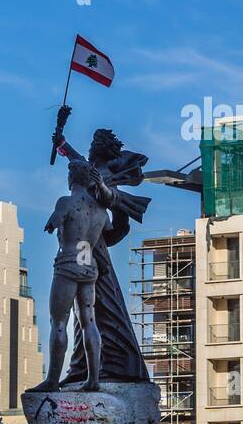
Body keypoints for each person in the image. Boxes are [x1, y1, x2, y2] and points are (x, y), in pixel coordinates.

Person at [50, 107, 152, 385]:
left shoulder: (97, 174)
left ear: (101, 149)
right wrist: (60, 132)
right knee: (87, 313)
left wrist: (60, 136)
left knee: (93, 310)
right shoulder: (93, 171)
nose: (91, 148)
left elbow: (112, 203)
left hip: (87, 249)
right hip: (91, 249)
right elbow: (69, 152)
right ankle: (85, 369)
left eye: (95, 145)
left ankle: (105, 366)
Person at [29, 159, 108, 392]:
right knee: (88, 321)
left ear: (71, 178)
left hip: (69, 261)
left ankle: (53, 380)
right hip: (89, 263)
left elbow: (55, 220)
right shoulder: (100, 209)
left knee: (59, 322)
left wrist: (53, 222)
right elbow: (110, 230)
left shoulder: (66, 201)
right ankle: (94, 379)